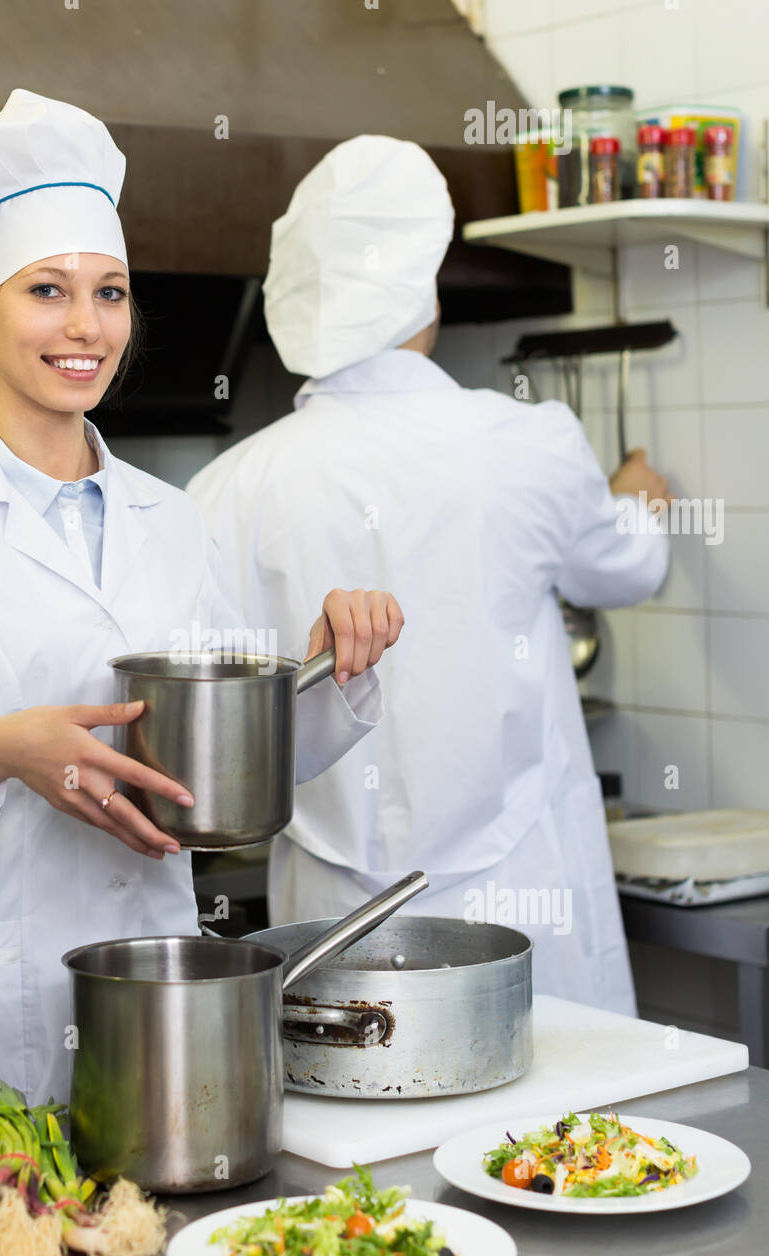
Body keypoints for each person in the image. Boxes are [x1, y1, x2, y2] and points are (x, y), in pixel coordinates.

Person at [0, 94, 403, 1158]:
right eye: (46, 291)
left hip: (148, 1017)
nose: (85, 326)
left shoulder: (173, 520)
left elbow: (232, 770)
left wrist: (341, 664)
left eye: (108, 293)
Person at [187, 135, 670, 1016]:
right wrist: (635, 502)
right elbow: (626, 569)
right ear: (425, 285)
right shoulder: (528, 443)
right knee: (563, 1144)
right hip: (526, 908)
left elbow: (225, 722)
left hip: (335, 930)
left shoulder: (226, 488)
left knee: (356, 1148)